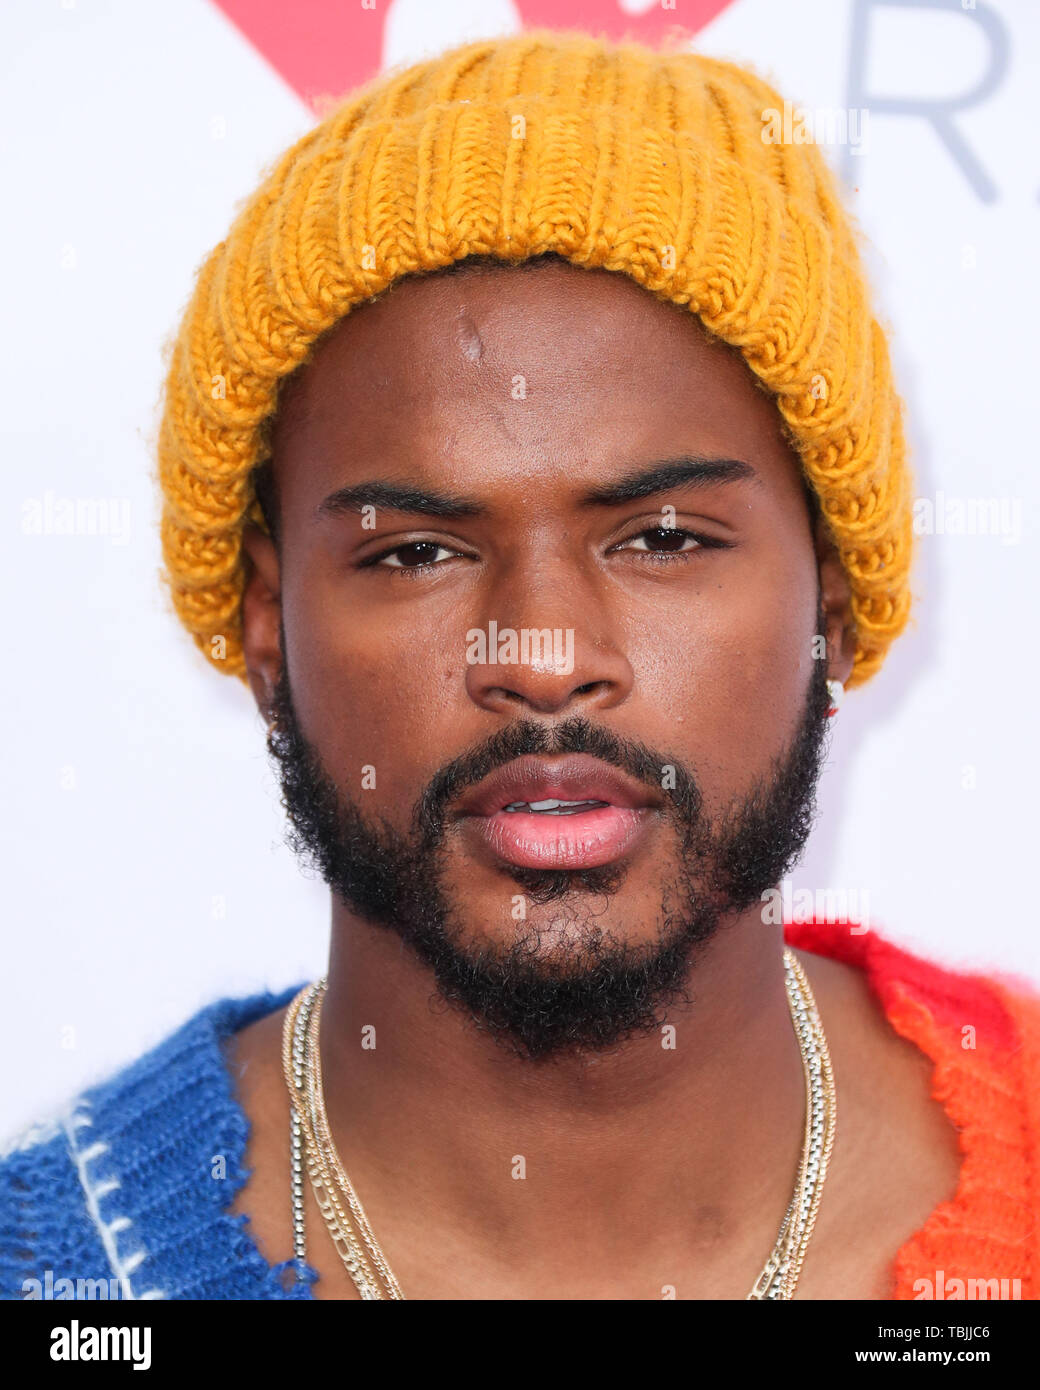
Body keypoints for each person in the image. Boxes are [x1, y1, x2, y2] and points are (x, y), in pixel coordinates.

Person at [3, 30, 1037, 1303]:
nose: (544, 658)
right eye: (417, 552)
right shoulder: (53, 1278)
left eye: (662, 538)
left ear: (829, 592)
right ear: (268, 625)